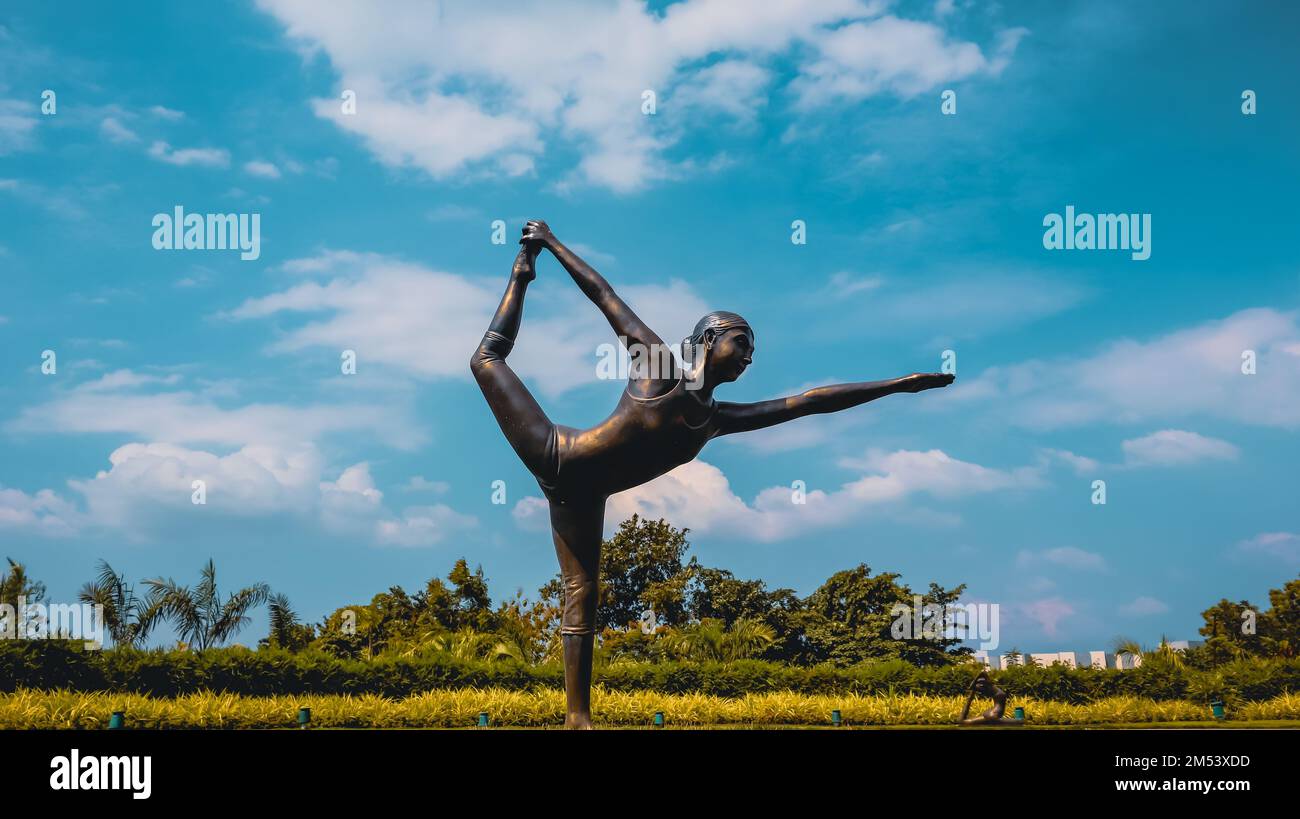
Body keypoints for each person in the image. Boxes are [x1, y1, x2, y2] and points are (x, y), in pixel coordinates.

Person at [471, 219, 955, 728]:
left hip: (582, 497)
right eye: (741, 343)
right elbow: (603, 295)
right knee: (486, 359)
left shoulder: (717, 421)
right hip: (556, 453)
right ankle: (520, 277)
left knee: (583, 593)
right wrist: (547, 243)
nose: (749, 356)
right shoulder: (657, 367)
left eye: (752, 350)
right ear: (708, 338)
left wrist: (897, 385)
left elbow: (808, 403)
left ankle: (577, 718)